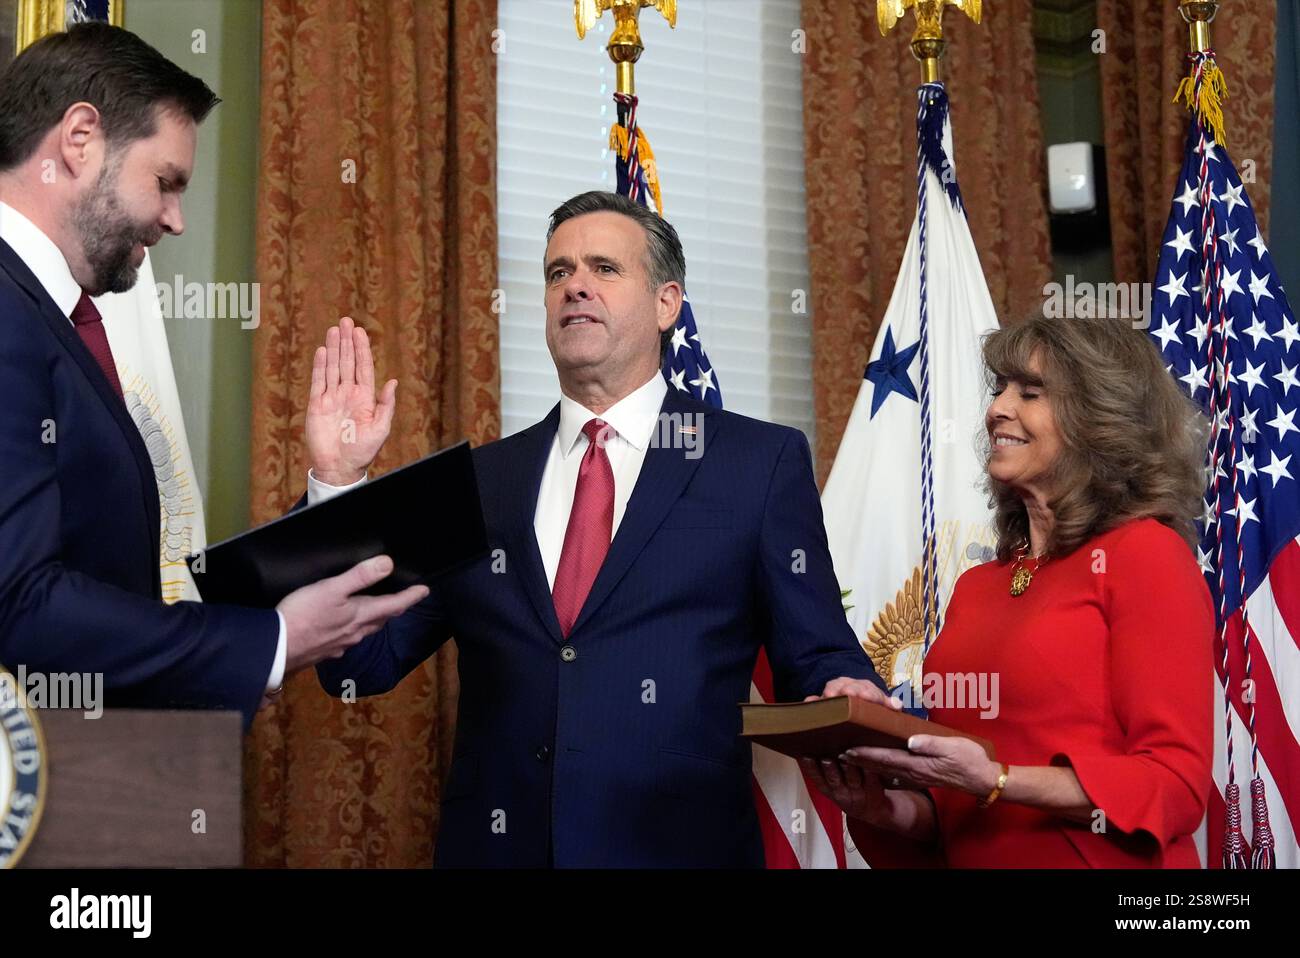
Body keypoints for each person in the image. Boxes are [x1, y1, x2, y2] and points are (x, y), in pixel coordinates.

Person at [309, 190, 892, 867]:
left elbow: (817, 651)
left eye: (605, 269)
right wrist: (337, 485)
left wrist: (845, 686)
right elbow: (358, 663)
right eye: (559, 273)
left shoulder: (756, 465)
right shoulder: (477, 482)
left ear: (668, 303)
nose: (576, 286)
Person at [0, 24, 426, 728]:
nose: (175, 221)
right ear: (79, 140)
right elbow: (19, 606)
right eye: (165, 182)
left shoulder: (46, 312)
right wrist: (274, 641)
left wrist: (331, 488)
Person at [805, 315, 1214, 867]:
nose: (998, 407)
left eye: (1031, 392)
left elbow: (1175, 784)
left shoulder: (1145, 554)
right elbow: (959, 812)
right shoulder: (977, 586)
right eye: (999, 389)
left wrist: (998, 779)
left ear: (1100, 419)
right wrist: (881, 808)